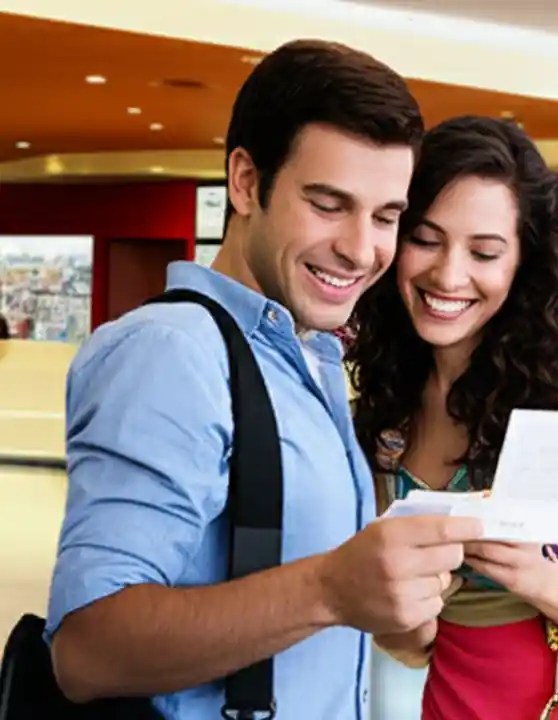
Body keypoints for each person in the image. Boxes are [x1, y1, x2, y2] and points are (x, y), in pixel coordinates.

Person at [44, 40, 481, 719]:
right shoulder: (171, 353)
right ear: (246, 183)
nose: (361, 249)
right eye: (328, 203)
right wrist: (331, 590)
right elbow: (86, 649)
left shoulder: (308, 357)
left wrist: (389, 603)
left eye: (386, 217)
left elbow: (294, 601)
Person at [346, 116, 558, 719]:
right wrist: (406, 610)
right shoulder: (379, 403)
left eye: (484, 252)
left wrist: (537, 578)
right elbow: (411, 646)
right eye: (425, 239)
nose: (448, 276)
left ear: (524, 264)